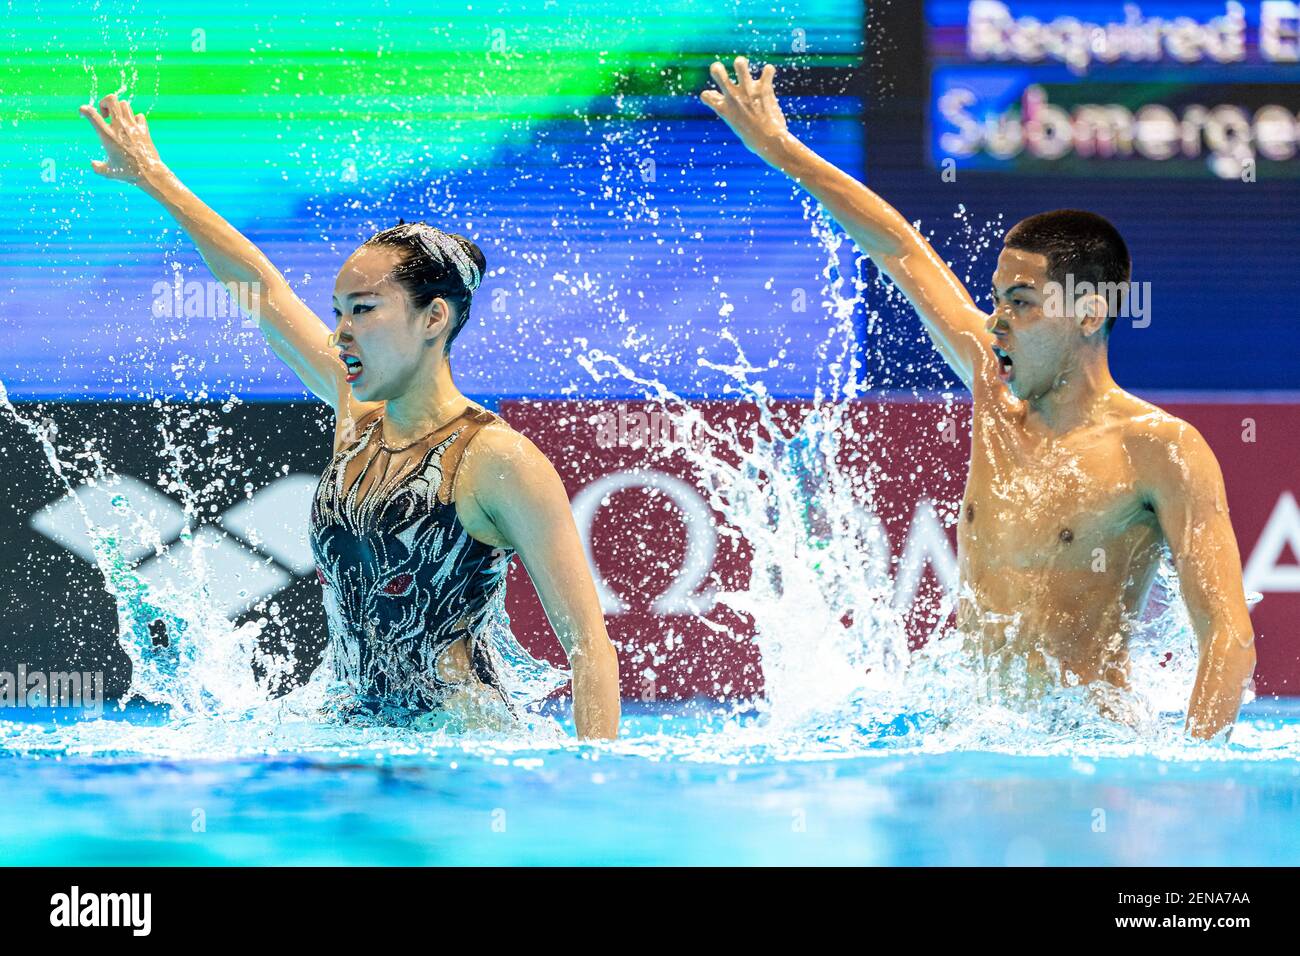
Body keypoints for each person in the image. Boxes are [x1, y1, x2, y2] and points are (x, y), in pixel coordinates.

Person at [701, 57, 1256, 740]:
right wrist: (781, 149)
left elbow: (1228, 633)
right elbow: (899, 248)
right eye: (995, 300)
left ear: (1087, 314)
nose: (993, 321)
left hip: (1088, 750)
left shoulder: (1159, 449)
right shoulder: (994, 395)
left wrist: (1187, 771)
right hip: (974, 738)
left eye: (1019, 304)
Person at [79, 93, 621, 739]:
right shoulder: (357, 416)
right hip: (348, 729)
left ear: (433, 319)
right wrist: (157, 181)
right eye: (337, 311)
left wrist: (591, 792)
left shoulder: (497, 460)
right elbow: (260, 286)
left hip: (461, 748)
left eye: (362, 310)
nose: (339, 333)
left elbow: (589, 649)